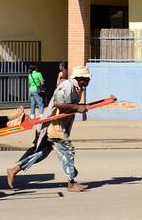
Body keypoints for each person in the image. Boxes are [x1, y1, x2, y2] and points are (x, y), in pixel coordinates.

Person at [7, 65, 92, 193]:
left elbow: (70, 105)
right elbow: (58, 103)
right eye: (86, 79)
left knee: (41, 153)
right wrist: (77, 107)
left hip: (60, 124)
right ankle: (71, 183)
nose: (88, 81)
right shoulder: (67, 86)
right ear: (80, 78)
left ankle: (14, 170)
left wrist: (80, 106)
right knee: (67, 150)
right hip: (54, 124)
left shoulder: (78, 88)